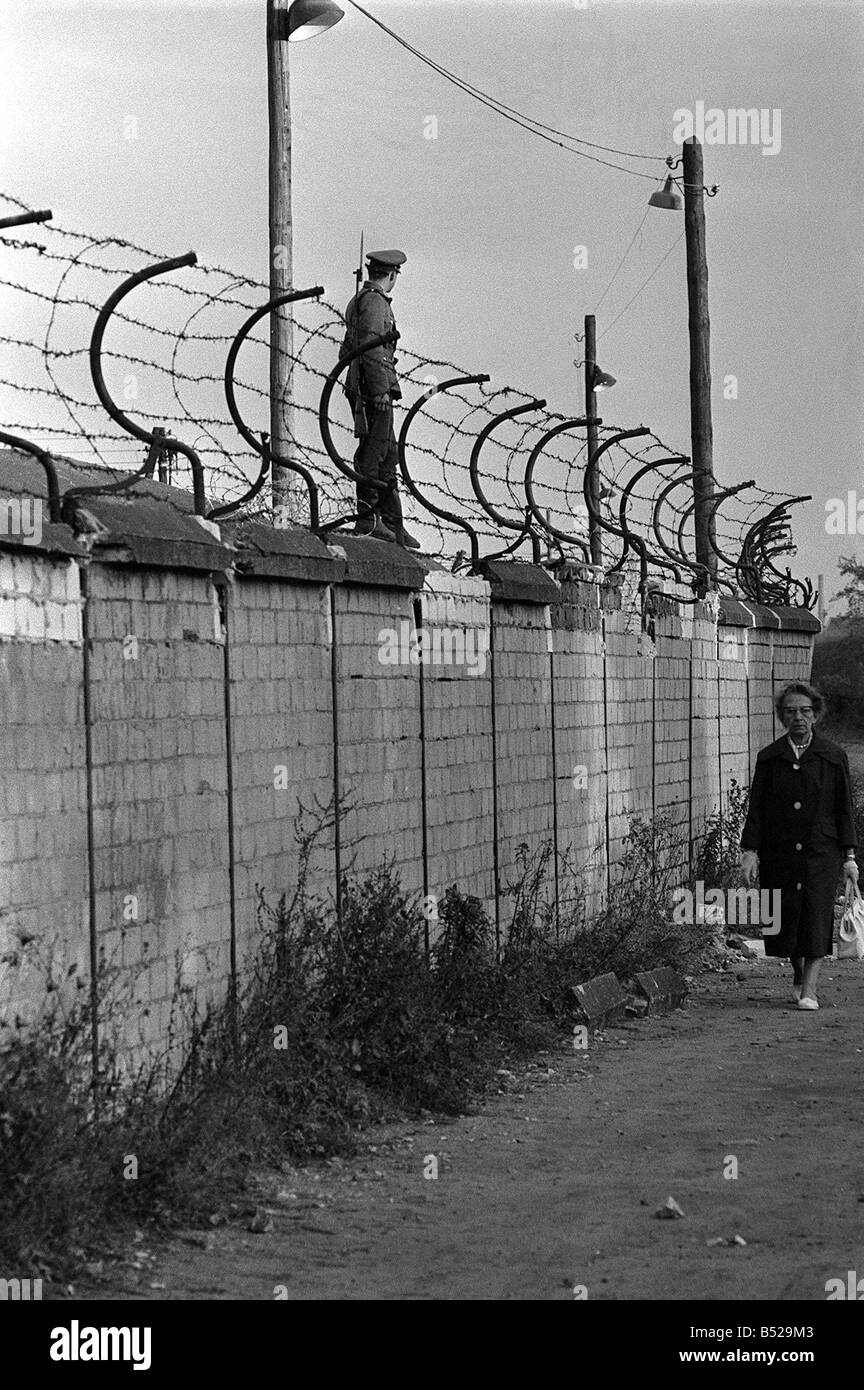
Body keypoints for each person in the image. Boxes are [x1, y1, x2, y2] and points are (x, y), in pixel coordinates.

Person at [740, 680, 859, 1009]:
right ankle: (796, 972)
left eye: (805, 711)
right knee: (784, 917)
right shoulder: (770, 758)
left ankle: (810, 989)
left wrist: (849, 859)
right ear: (781, 716)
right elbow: (757, 809)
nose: (798, 718)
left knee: (817, 916)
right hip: (778, 853)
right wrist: (749, 852)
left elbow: (844, 809)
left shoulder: (833, 757)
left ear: (816, 715)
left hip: (822, 852)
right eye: (790, 711)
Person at [339, 248, 420, 549]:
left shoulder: (365, 301)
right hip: (373, 388)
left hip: (370, 384)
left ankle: (392, 522)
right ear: (392, 275)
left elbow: (348, 350)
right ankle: (371, 519)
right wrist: (379, 389)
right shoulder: (373, 303)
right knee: (375, 452)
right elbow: (371, 347)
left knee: (387, 452)